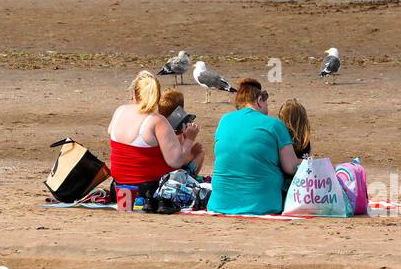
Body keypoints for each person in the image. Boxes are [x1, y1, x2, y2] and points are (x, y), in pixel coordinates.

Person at [208, 78, 300, 215]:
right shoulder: (274, 125)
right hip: (262, 205)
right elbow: (291, 167)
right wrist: (311, 163)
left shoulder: (224, 121)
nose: (267, 108)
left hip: (219, 203)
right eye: (266, 101)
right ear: (259, 100)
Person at [109, 71, 203, 194]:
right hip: (149, 188)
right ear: (158, 96)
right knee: (198, 152)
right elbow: (175, 161)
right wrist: (189, 139)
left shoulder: (119, 111)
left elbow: (116, 136)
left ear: (134, 93)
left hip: (118, 186)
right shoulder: (157, 121)